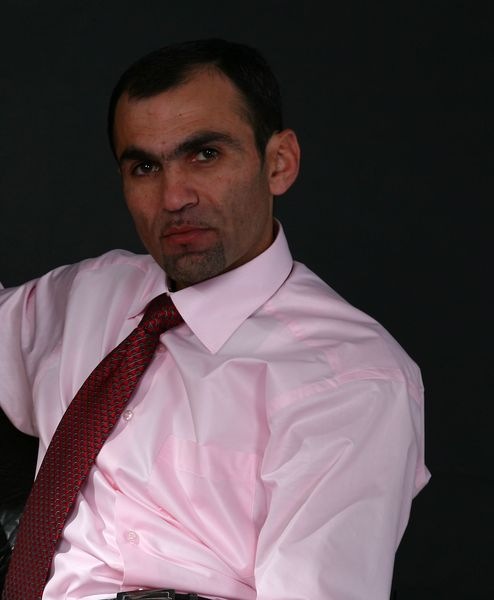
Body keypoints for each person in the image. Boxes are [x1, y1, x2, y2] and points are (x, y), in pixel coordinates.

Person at [0, 39, 429, 600]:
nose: (174, 197)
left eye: (205, 154)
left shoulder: (348, 381)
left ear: (279, 163)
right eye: (145, 166)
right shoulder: (88, 293)